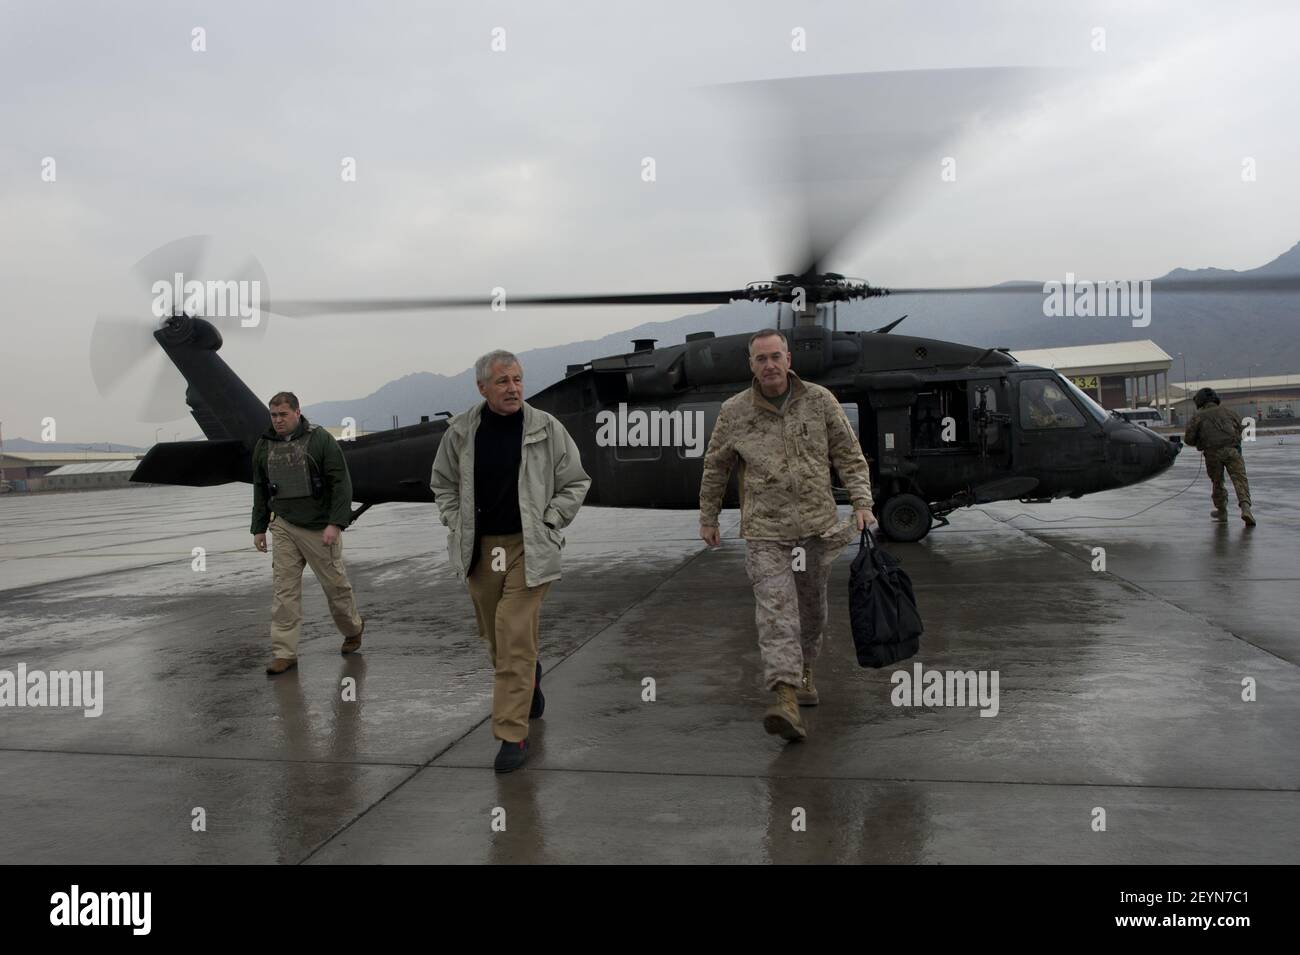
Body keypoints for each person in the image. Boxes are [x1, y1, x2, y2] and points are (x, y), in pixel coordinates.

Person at [699, 328, 877, 742]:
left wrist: (863, 503)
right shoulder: (735, 411)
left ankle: (806, 670)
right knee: (776, 613)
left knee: (811, 613)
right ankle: (784, 697)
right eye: (761, 359)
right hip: (766, 532)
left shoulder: (819, 400)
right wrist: (708, 517)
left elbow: (848, 454)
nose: (769, 365)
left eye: (775, 356)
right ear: (751, 365)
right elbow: (715, 467)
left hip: (816, 528)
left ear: (789, 359)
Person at [431, 350, 590, 773]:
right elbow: (442, 483)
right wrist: (454, 520)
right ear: (482, 388)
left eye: (517, 379)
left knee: (513, 632)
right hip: (482, 551)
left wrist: (552, 520)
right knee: (496, 638)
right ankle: (528, 677)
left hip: (529, 547)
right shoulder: (462, 432)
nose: (513, 388)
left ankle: (511, 733)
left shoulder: (545, 428)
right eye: (502, 381)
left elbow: (576, 480)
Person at [251, 392, 364, 675]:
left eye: (283, 415)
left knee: (336, 588)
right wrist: (259, 527)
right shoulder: (264, 446)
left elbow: (341, 482)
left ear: (297, 413)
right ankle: (284, 652)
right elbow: (260, 488)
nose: (277, 420)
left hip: (319, 526)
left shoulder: (319, 440)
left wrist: (336, 523)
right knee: (284, 591)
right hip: (284, 525)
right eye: (273, 415)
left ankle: (352, 629)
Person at [1184, 387, 1255, 525]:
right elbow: (1241, 427)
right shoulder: (1229, 412)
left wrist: (1201, 441)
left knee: (1217, 483)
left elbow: (1189, 439)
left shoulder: (1198, 417)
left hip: (1213, 454)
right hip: (1232, 451)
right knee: (1240, 480)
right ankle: (1246, 508)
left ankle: (1222, 511)